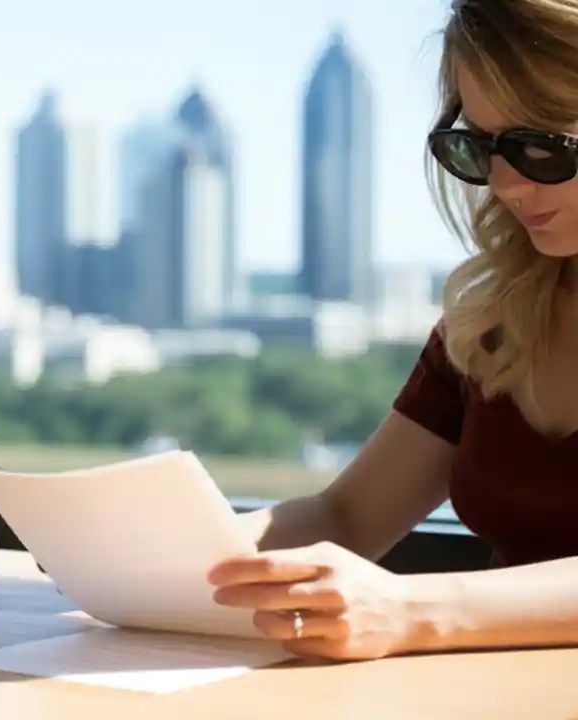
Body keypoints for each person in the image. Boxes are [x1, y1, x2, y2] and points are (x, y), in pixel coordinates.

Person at [208, 0, 578, 661]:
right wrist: (175, 561)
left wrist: (414, 611)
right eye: (479, 146)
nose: (504, 185)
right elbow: (346, 518)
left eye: (540, 149)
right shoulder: (489, 322)